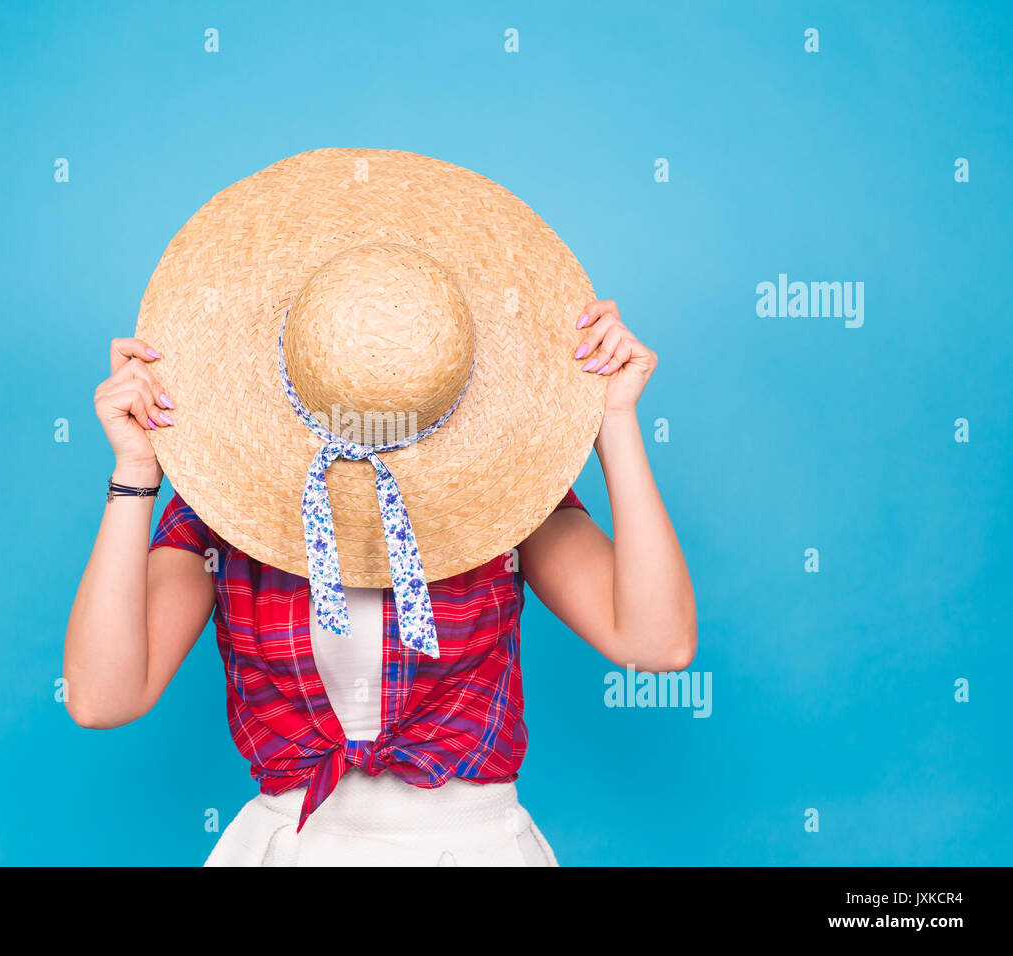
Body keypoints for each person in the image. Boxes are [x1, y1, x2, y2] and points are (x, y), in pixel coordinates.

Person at [64, 149, 696, 865]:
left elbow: (658, 644)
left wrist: (612, 420)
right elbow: (101, 699)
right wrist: (136, 473)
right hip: (294, 847)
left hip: (473, 849)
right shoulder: (222, 512)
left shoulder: (508, 494)